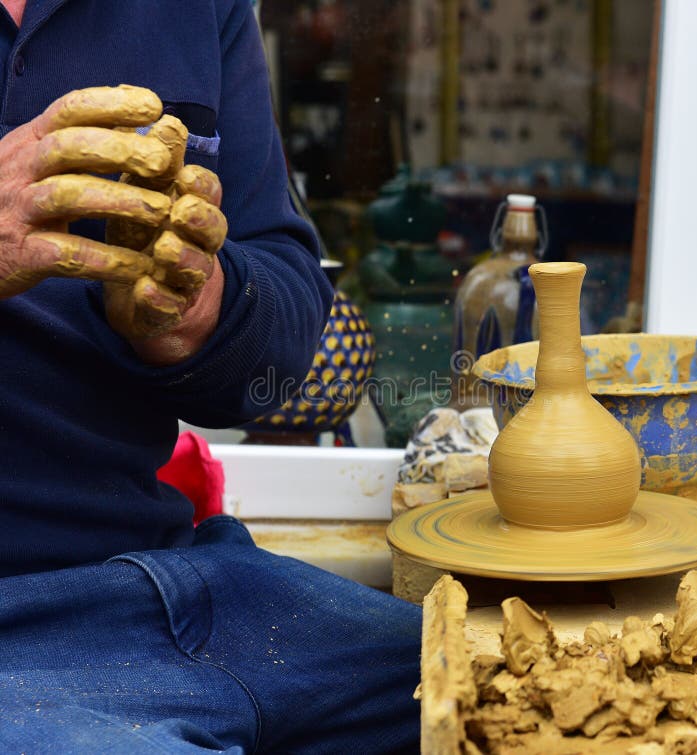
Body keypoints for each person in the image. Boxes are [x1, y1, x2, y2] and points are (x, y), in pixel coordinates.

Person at [0, 1, 422, 752]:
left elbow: (285, 308)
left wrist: (197, 308)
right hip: (22, 640)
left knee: (532, 694)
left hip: (165, 577)